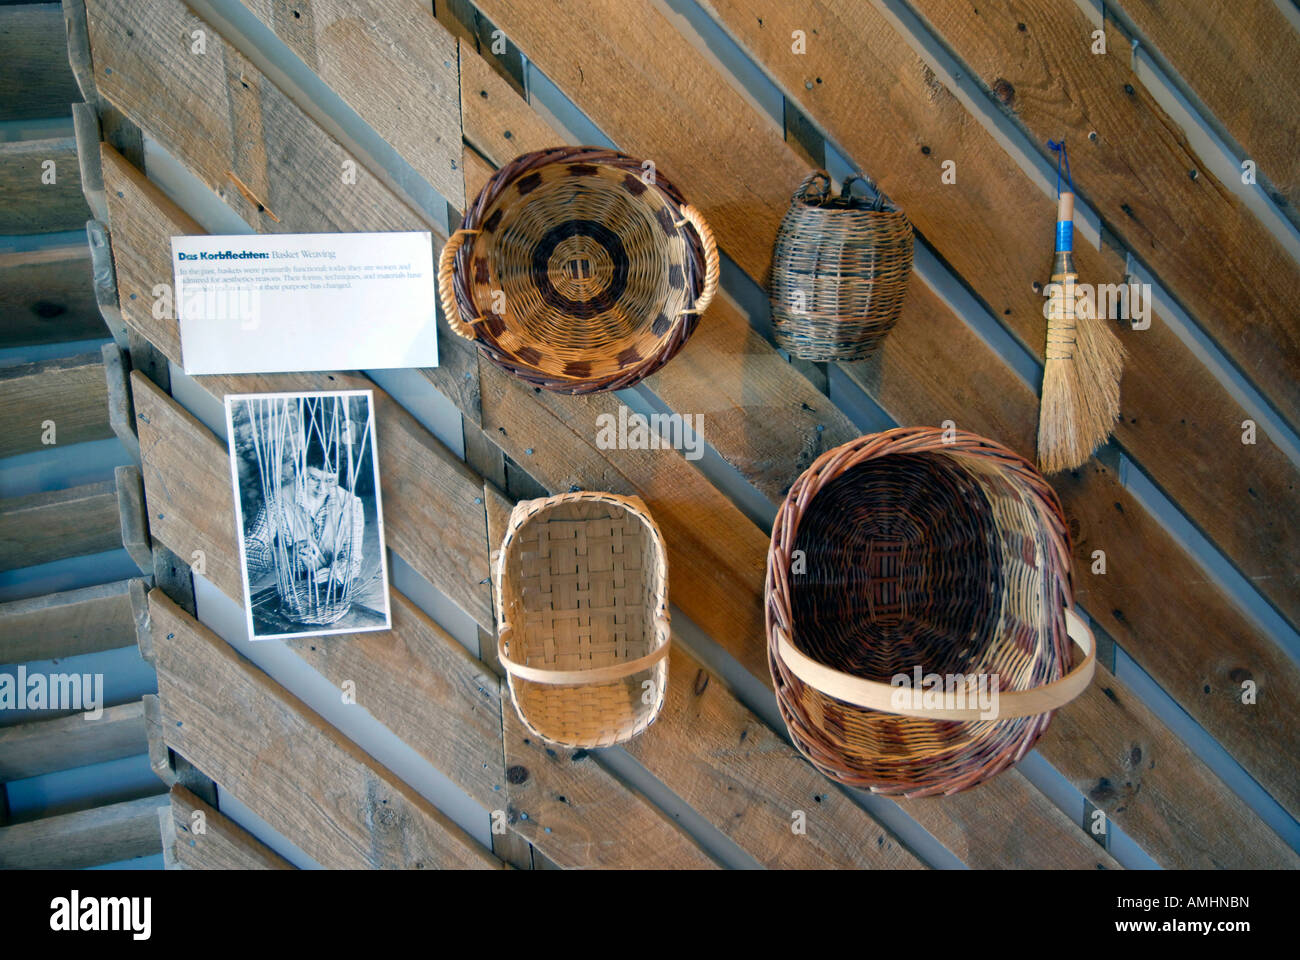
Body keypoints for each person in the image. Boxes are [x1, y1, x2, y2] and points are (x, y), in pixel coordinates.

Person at [243, 433, 366, 602]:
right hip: (295, 585)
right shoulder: (278, 500)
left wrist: (335, 573)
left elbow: (354, 559)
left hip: (336, 584)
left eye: (329, 481)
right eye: (313, 479)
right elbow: (248, 552)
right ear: (299, 471)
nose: (321, 489)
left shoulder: (351, 504)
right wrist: (286, 554)